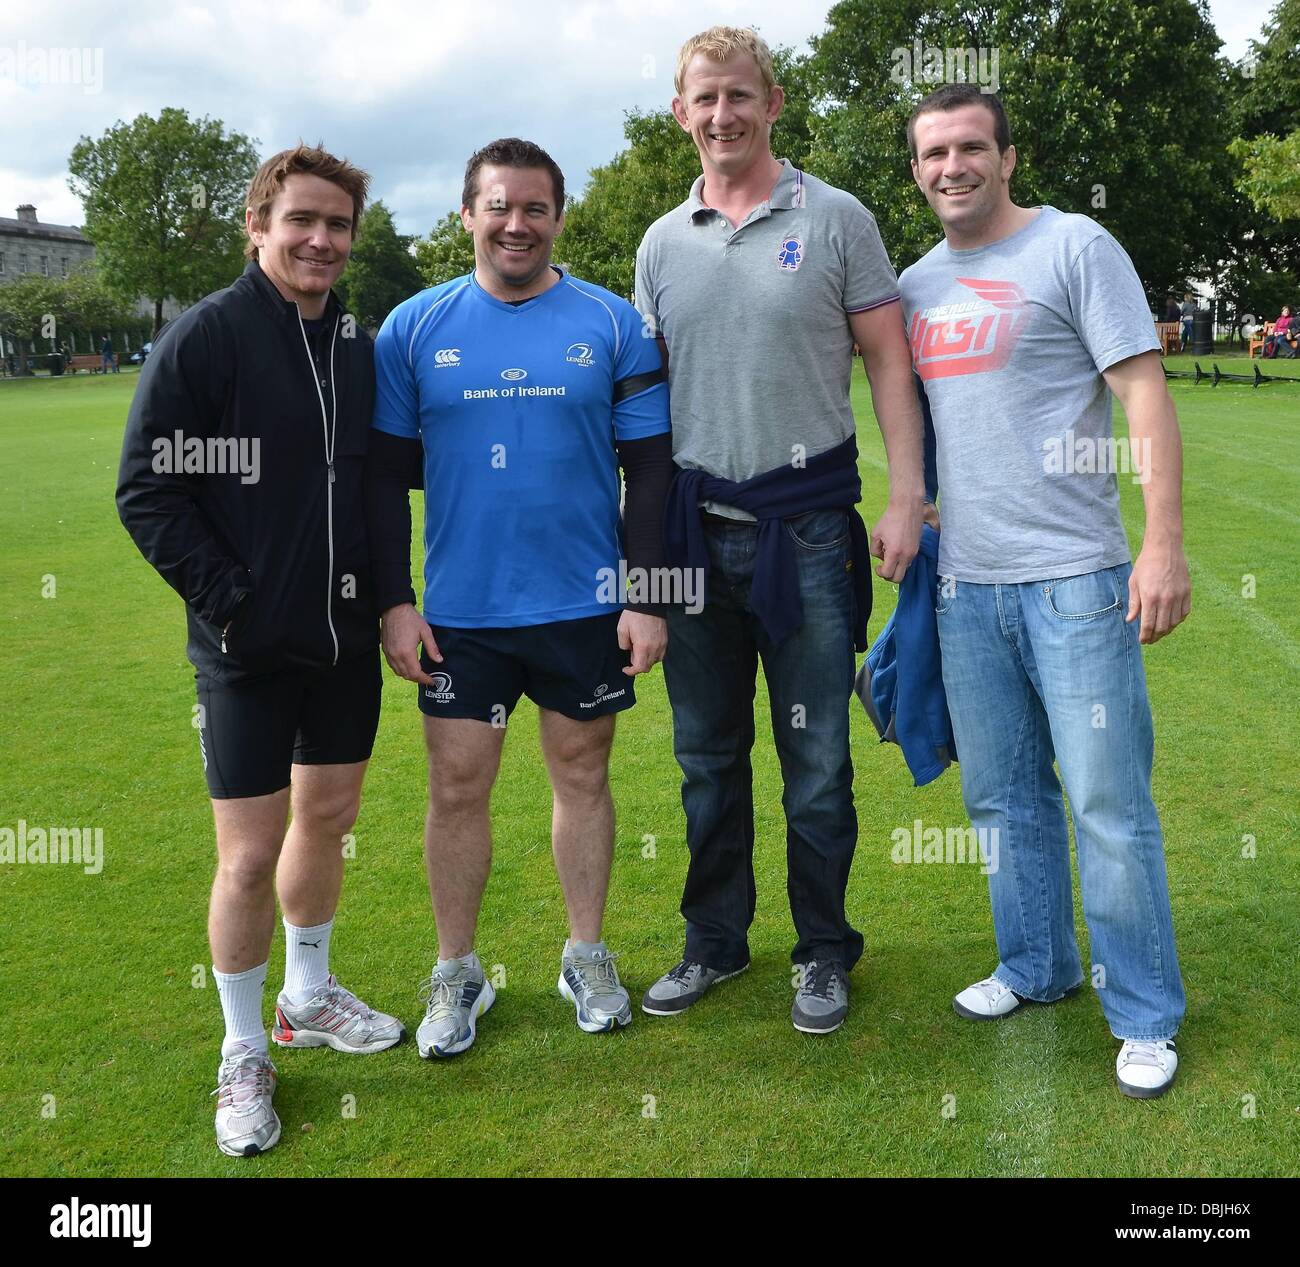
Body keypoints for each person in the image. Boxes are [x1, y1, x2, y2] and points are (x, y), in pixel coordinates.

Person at [634, 26, 925, 1035]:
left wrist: (904, 495)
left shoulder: (836, 217)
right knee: (705, 759)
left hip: (804, 529)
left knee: (815, 767)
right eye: (704, 98)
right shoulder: (660, 239)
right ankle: (714, 942)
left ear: (774, 103)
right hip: (687, 537)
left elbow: (889, 362)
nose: (722, 115)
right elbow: (644, 410)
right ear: (682, 113)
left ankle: (822, 952)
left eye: (739, 97)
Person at [900, 84, 1190, 1097]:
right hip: (966, 590)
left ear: (1007, 157)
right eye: (933, 153)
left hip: (1075, 580)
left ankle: (1145, 1012)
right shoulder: (916, 284)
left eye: (970, 147)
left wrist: (1161, 544)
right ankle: (1035, 964)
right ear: (916, 170)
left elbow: (1142, 391)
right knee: (999, 796)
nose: (952, 166)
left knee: (1108, 803)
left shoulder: (1074, 246)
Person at [116, 144, 402, 1158]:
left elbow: (370, 490)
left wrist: (392, 603)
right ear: (259, 226)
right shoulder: (209, 338)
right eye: (302, 221)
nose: (321, 240)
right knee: (246, 854)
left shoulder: (357, 346)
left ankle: (308, 993)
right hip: (243, 649)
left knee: (327, 817)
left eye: (337, 225)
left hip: (345, 639)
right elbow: (149, 489)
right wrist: (234, 601)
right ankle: (244, 1051)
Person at [368, 137, 674, 1056]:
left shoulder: (613, 322)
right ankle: (457, 974)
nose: (516, 223)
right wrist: (394, 598)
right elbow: (382, 479)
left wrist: (646, 593)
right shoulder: (413, 327)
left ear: (558, 218)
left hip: (584, 604)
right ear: (467, 213)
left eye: (535, 207)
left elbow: (651, 469)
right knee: (457, 787)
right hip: (462, 612)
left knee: (583, 775)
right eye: (498, 205)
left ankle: (585, 953)